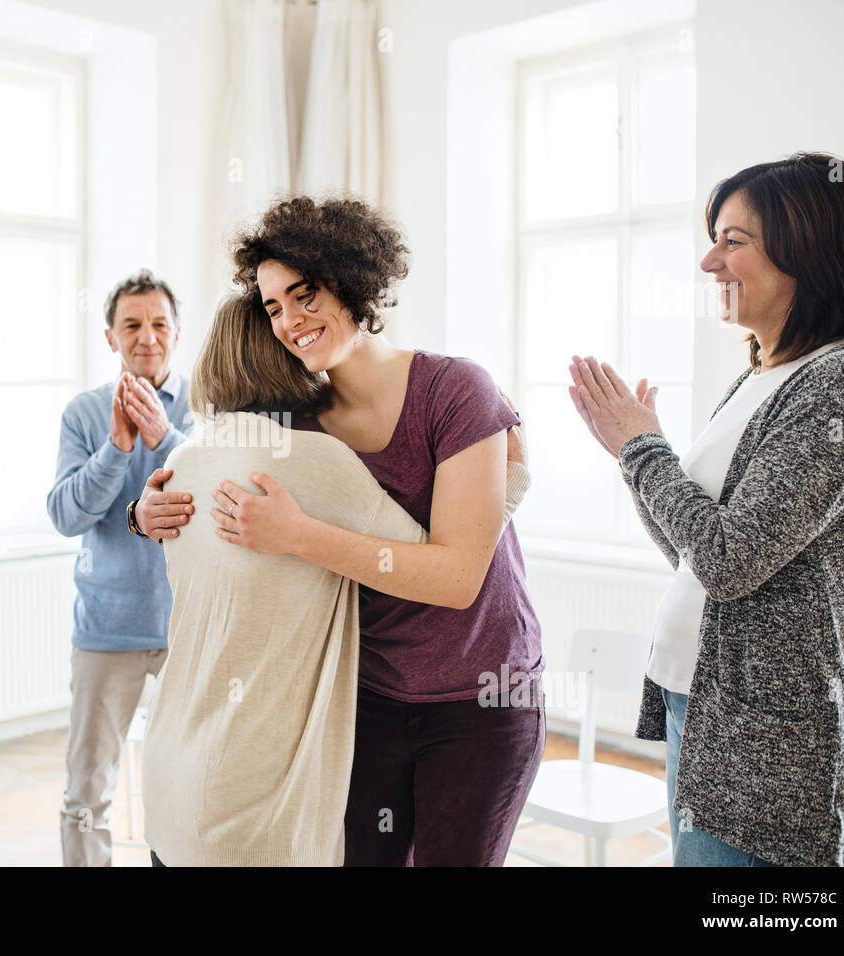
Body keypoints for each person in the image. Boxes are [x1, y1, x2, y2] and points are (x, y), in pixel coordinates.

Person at [138, 196, 543, 866]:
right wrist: (141, 511)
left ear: (352, 281)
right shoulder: (300, 428)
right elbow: (214, 461)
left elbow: (457, 577)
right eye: (273, 307)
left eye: (305, 295)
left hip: (479, 702)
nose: (291, 321)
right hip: (368, 698)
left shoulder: (455, 390)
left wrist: (298, 536)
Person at [566, 151, 844, 867]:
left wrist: (644, 449)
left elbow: (732, 560)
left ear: (805, 250)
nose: (710, 262)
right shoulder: (761, 373)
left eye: (732, 241)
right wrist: (631, 454)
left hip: (776, 747)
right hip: (710, 709)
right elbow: (698, 554)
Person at [46, 269, 191, 866]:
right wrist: (119, 448)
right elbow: (66, 515)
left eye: (159, 324)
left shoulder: (208, 409)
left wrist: (165, 436)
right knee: (88, 789)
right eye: (131, 324)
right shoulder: (83, 413)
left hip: (191, 630)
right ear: (110, 336)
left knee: (185, 783)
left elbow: (224, 498)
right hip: (107, 631)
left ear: (177, 334)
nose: (147, 337)